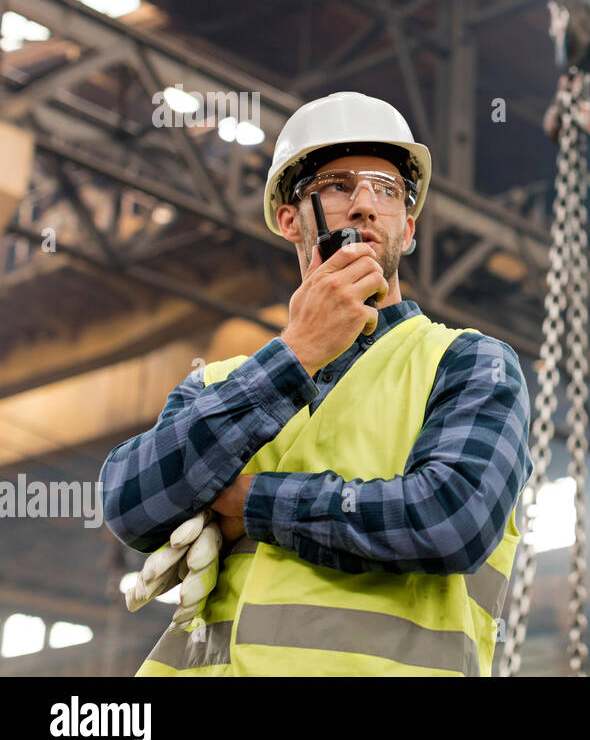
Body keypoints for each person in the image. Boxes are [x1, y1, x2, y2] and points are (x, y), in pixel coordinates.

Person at [100, 91, 532, 676]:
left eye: (386, 190)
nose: (364, 206)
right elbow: (130, 503)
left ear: (407, 228)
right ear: (288, 218)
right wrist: (296, 355)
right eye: (337, 185)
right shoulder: (218, 384)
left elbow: (446, 520)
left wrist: (245, 501)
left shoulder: (468, 363)